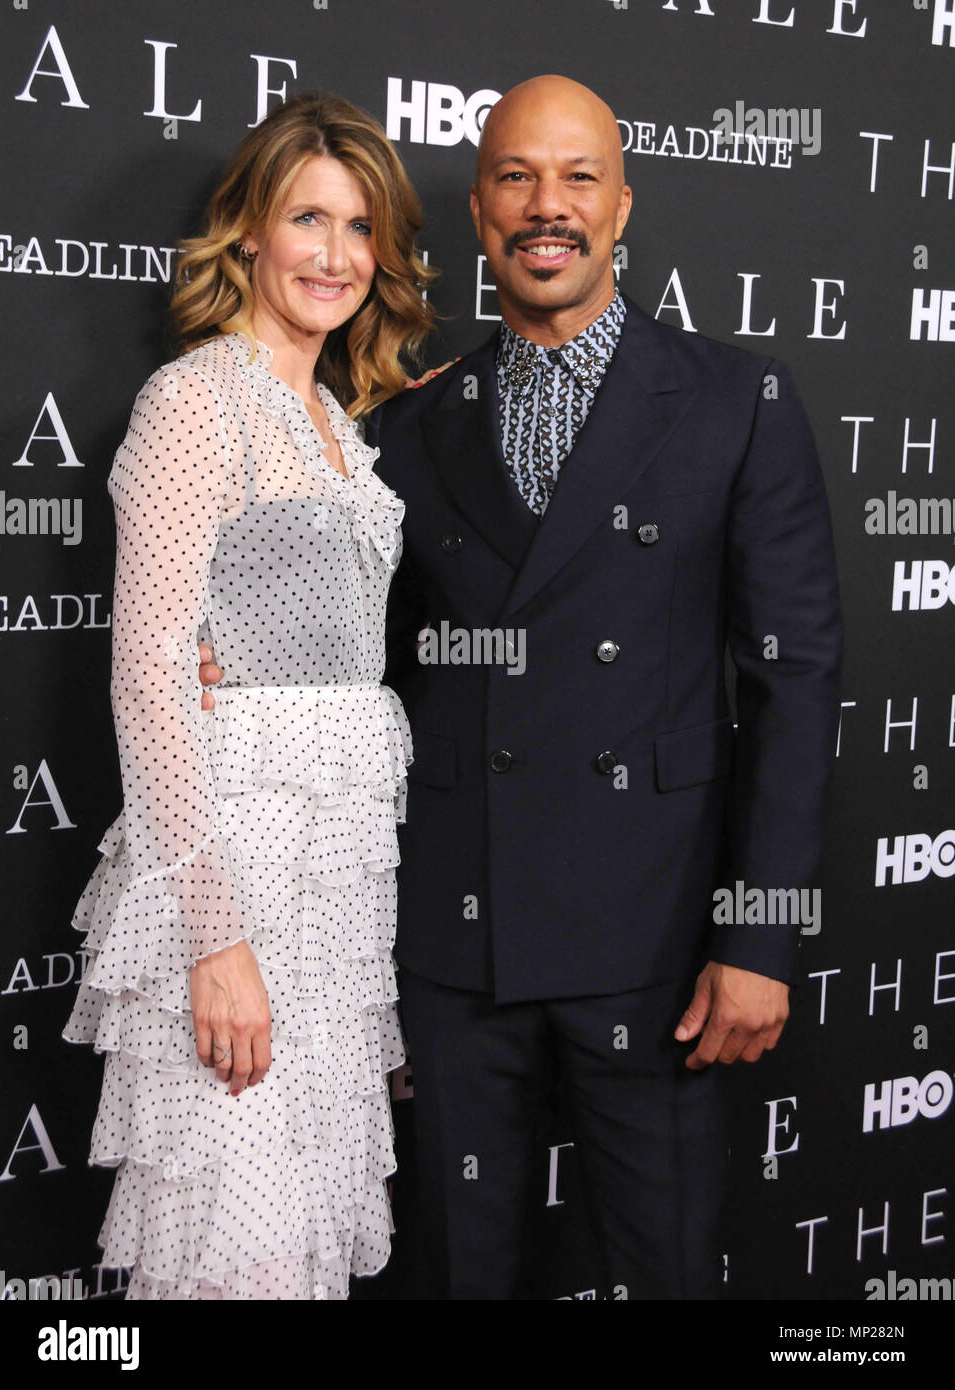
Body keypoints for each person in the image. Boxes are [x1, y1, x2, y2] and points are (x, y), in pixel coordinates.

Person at [203, 74, 842, 1300]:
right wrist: (247, 657)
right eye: (515, 178)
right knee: (456, 1273)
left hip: (653, 949)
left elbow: (796, 682)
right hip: (453, 942)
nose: (546, 206)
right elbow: (368, 661)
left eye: (576, 178)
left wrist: (759, 936)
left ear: (620, 205)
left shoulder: (732, 402)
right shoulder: (405, 423)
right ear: (482, 212)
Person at [64, 90, 435, 1300]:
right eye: (306, 219)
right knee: (241, 1244)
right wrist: (211, 937)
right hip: (232, 861)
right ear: (249, 235)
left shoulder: (337, 419)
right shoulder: (196, 403)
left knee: (308, 1226)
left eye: (359, 227)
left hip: (337, 886)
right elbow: (151, 674)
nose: (334, 254)